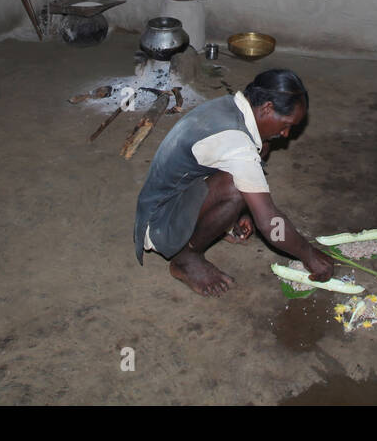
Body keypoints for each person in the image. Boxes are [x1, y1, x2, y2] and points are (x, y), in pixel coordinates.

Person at [132, 69, 335, 297]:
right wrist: (308, 254)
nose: (286, 133)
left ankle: (222, 216)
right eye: (286, 123)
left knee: (261, 148)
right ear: (267, 108)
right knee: (237, 188)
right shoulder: (237, 142)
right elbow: (269, 223)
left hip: (175, 194)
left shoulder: (232, 107)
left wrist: (237, 214)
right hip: (159, 221)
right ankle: (186, 259)